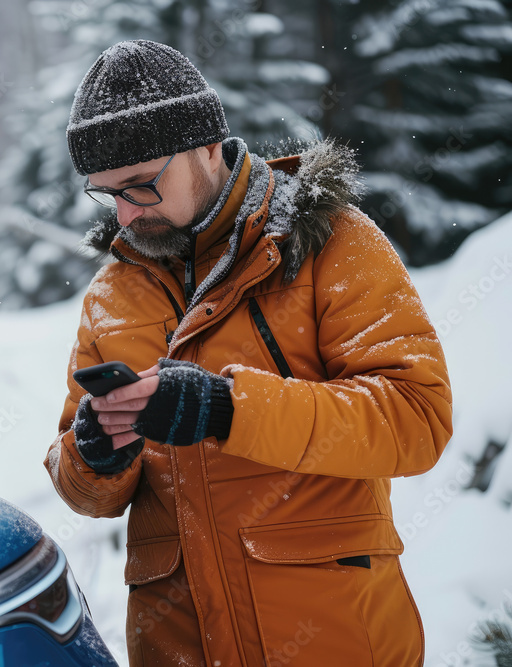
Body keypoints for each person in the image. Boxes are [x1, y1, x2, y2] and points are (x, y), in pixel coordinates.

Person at [43, 39, 453, 667]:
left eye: (143, 185)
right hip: (175, 647)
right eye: (107, 193)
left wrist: (228, 408)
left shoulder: (332, 242)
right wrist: (98, 452)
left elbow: (416, 419)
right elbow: (86, 491)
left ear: (208, 145)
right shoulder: (111, 295)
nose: (125, 214)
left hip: (333, 641)